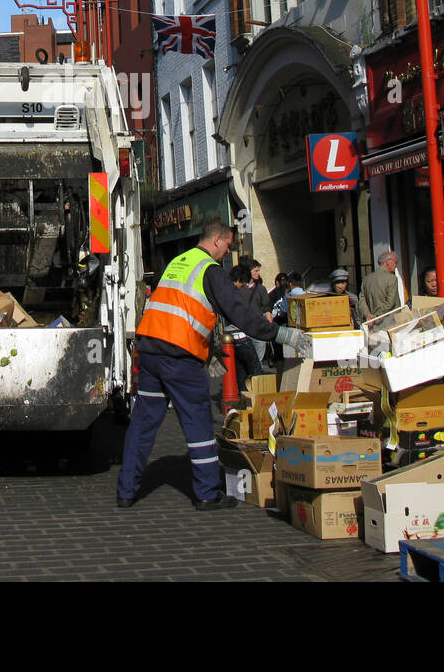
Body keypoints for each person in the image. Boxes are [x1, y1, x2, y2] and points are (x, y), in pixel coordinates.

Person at [116, 219, 312, 511]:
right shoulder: (210, 270)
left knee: (143, 424)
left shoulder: (177, 262)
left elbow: (179, 308)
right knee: (197, 423)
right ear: (217, 240)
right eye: (229, 245)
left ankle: (126, 491)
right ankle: (207, 492)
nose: (228, 252)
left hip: (150, 352)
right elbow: (238, 312)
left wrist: (210, 349)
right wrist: (281, 334)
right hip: (180, 356)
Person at [225, 264, 268, 390]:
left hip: (230, 336)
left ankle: (245, 399)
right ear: (239, 279)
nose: (243, 285)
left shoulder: (224, 290)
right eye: (242, 282)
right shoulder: (235, 292)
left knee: (241, 372)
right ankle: (257, 401)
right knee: (256, 370)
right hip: (241, 335)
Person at [359, 251, 402, 323]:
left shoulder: (366, 279)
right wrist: (376, 316)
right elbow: (390, 303)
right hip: (389, 322)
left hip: (372, 323)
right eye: (395, 262)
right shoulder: (392, 278)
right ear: (388, 262)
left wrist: (368, 315)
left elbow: (362, 301)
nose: (396, 265)